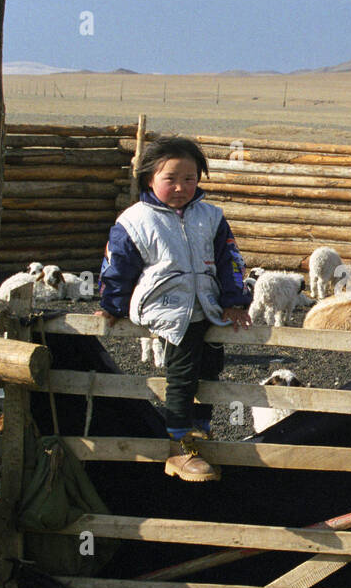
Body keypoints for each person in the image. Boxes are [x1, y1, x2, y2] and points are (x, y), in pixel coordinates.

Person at [95, 136, 251, 481]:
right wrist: (112, 305)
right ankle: (179, 445)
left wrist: (235, 300)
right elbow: (117, 266)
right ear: (149, 178)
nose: (181, 187)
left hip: (207, 305)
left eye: (190, 179)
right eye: (171, 179)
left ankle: (201, 426)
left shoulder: (210, 217)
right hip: (167, 307)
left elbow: (231, 260)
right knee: (181, 375)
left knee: (212, 366)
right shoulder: (135, 220)